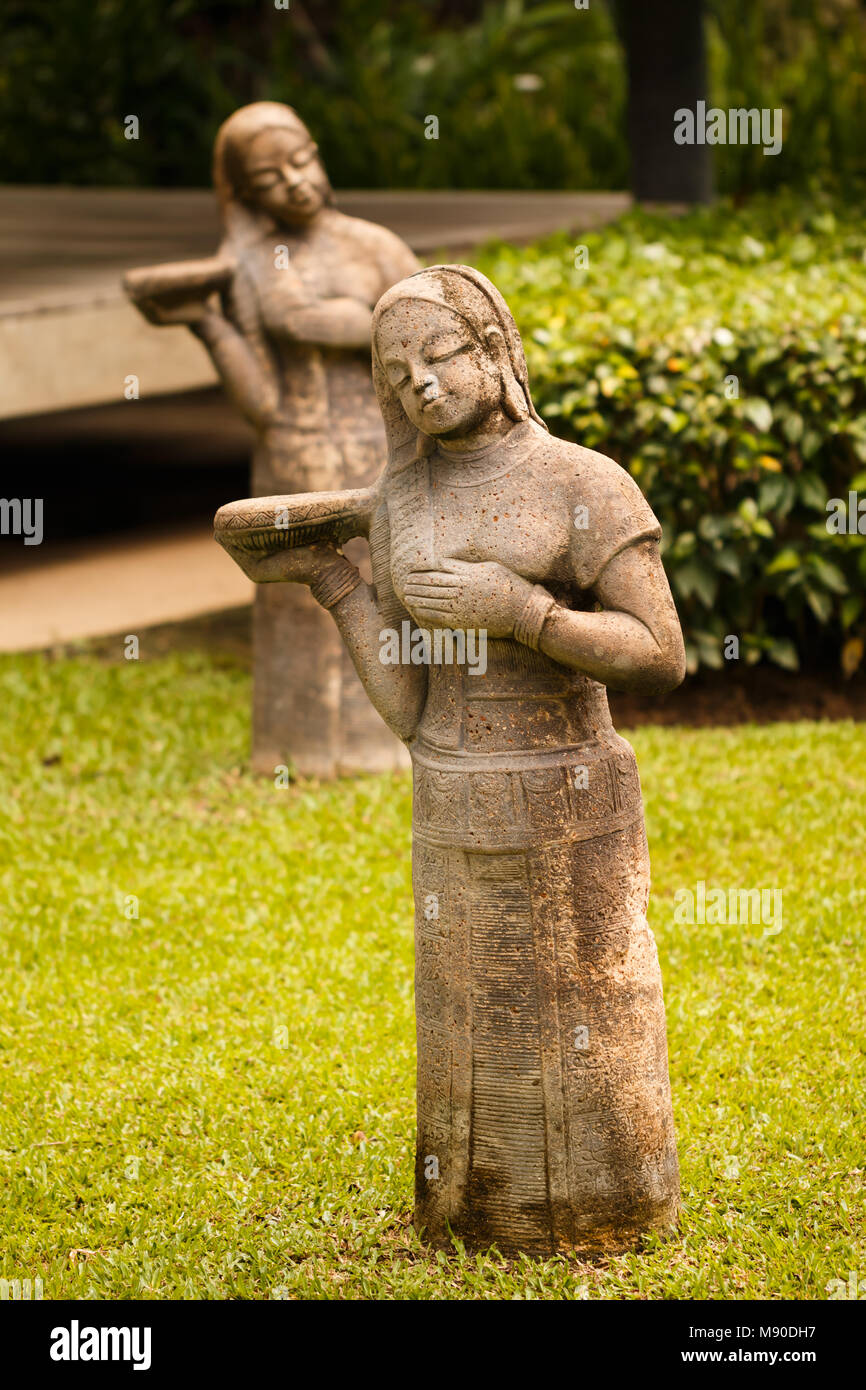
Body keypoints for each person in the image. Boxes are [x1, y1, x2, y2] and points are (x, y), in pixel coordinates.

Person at [220, 265, 686, 1255]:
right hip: (452, 795)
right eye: (396, 374)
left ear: (491, 352)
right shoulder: (402, 500)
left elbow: (658, 654)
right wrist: (338, 581)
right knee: (471, 1033)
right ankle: (473, 1215)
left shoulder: (580, 483)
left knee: (585, 1027)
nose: (419, 385)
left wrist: (519, 611)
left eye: (438, 355)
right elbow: (411, 707)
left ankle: (611, 1211)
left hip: (567, 788)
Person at [126, 102, 419, 776]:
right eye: (268, 177)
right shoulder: (250, 266)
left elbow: (428, 332)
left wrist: (341, 321)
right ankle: (298, 751)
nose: (294, 181)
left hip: (385, 449)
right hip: (294, 454)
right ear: (245, 195)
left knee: (392, 589)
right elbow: (261, 402)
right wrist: (208, 322)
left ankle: (396, 742)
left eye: (302, 159)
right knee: (302, 597)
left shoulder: (374, 245)